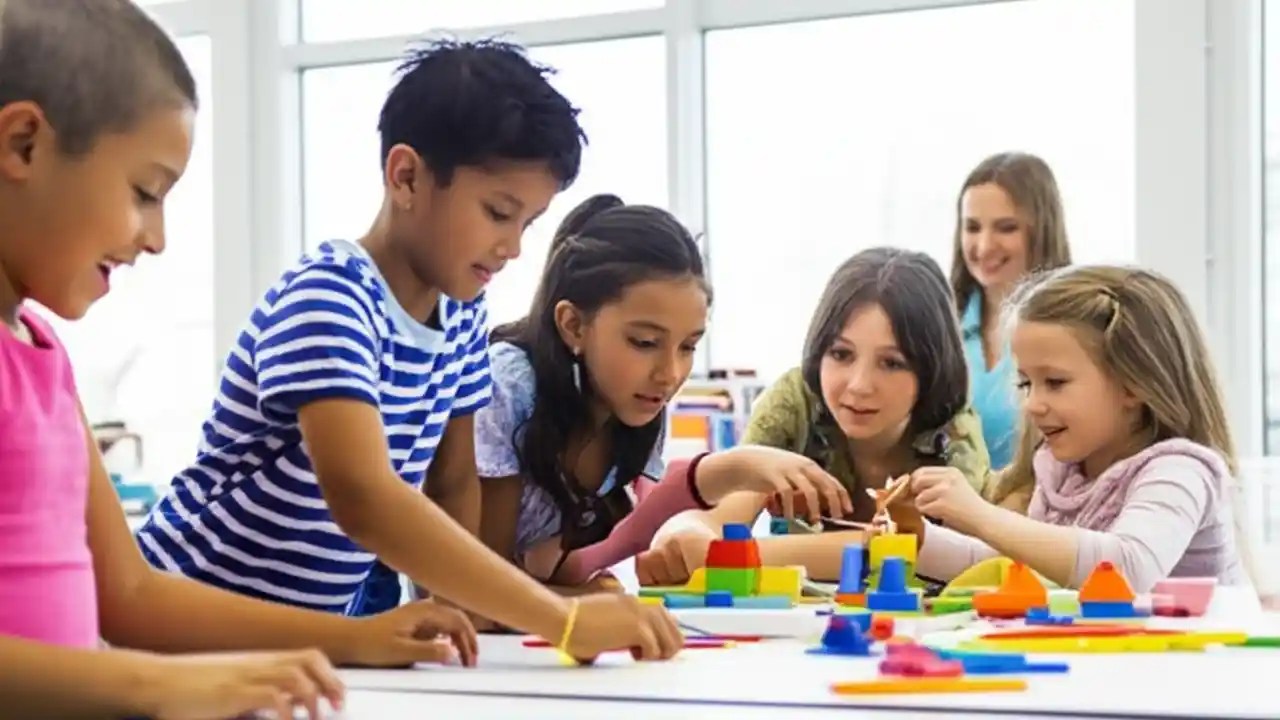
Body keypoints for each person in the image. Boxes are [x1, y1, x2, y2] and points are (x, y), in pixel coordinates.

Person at [0, 2, 482, 718]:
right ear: (24, 143)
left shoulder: (45, 359)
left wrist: (354, 638)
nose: (156, 238)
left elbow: (128, 596)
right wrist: (161, 686)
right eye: (144, 193)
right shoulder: (331, 296)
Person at [134, 38, 682, 661]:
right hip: (182, 618)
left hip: (291, 642)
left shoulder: (462, 314)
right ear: (406, 177)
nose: (513, 247)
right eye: (498, 212)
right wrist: (558, 617)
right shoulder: (332, 297)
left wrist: (464, 608)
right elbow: (365, 498)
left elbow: (449, 483)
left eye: (528, 223)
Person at [470, 194, 851, 592]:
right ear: (573, 325)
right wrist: (576, 601)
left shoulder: (636, 406)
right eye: (644, 341)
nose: (670, 374)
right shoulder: (508, 386)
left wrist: (587, 587)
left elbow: (557, 561)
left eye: (688, 347)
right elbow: (480, 582)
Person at [639, 248, 993, 583]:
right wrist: (686, 535)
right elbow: (714, 520)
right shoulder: (795, 404)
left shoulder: (954, 430)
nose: (858, 385)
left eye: (892, 363)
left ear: (931, 370)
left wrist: (731, 556)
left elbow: (929, 553)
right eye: (841, 354)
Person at [893, 266, 1249, 593]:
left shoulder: (1180, 471)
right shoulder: (1063, 473)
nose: (1032, 404)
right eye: (1025, 384)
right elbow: (1020, 567)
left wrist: (981, 515)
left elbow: (1127, 569)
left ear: (1133, 384)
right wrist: (920, 536)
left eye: (1055, 382)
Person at [951, 152, 1071, 477]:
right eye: (972, 228)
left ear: (1041, 230)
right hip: (947, 518)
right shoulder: (942, 327)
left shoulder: (1076, 331)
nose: (985, 245)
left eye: (1006, 228)